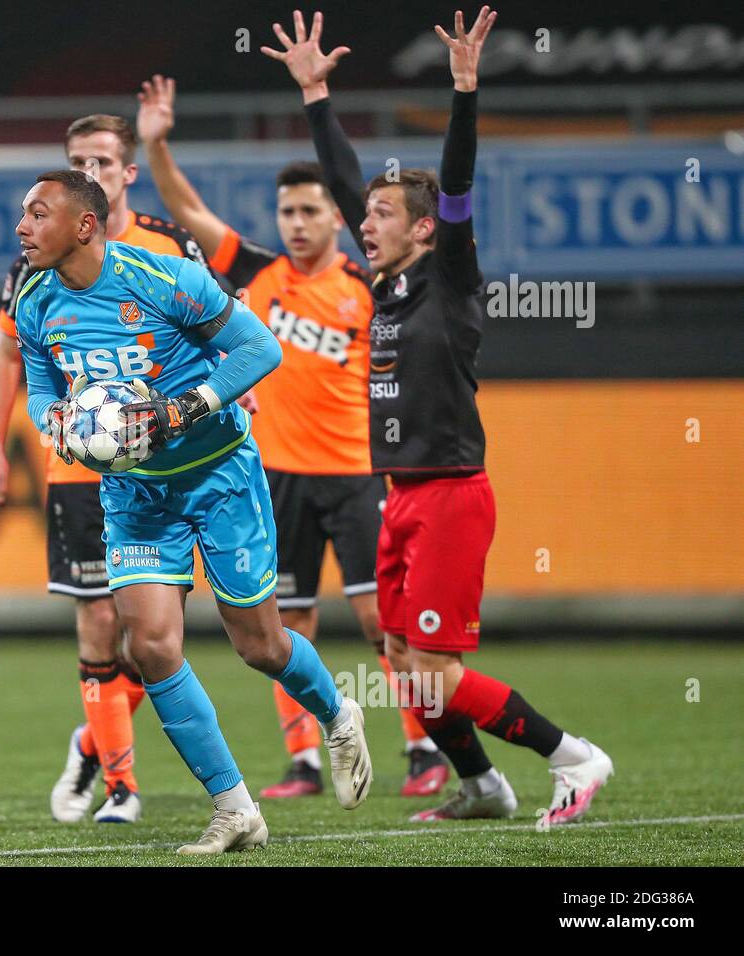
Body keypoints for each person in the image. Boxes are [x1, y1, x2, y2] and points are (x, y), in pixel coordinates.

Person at [266, 7, 613, 823]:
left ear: (425, 229)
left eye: (383, 218)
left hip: (452, 492)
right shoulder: (384, 283)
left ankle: (574, 757)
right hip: (401, 493)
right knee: (397, 655)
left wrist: (464, 90)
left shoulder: (449, 275)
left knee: (435, 670)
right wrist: (317, 95)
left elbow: (454, 182)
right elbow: (351, 181)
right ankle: (482, 786)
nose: (365, 225)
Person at [12, 169, 372, 854]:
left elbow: (260, 348)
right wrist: (53, 421)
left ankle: (337, 713)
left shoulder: (164, 277)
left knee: (259, 645)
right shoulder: (34, 300)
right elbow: (39, 386)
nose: (22, 227)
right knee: (148, 645)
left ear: (83, 226)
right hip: (135, 492)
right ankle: (235, 808)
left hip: (218, 475)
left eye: (37, 214)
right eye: (23, 215)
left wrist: (186, 407)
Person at [137, 74, 450, 799]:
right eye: (287, 211)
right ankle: (305, 759)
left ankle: (422, 746)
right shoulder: (255, 272)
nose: (298, 222)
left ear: (336, 220)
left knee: (381, 622)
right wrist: (155, 143)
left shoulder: (368, 284)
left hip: (353, 474)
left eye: (311, 209)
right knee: (289, 620)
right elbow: (186, 207)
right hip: (271, 477)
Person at [0, 115, 210, 825]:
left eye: (103, 160)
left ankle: (93, 738)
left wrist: (230, 386)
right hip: (81, 465)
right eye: (79, 161)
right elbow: (9, 355)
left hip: (169, 464)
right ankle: (121, 786)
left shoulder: (169, 248)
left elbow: (221, 324)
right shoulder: (36, 265)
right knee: (99, 624)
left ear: (128, 171)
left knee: (153, 635)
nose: (92, 172)